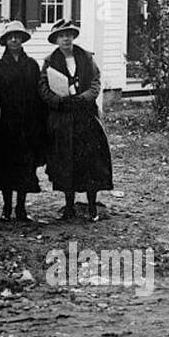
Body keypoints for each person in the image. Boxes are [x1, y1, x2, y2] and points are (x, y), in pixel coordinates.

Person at [38, 20, 114, 222]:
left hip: (85, 117)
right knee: (65, 161)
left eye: (69, 35)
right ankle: (69, 206)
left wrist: (83, 98)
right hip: (63, 119)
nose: (65, 39)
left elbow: (95, 82)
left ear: (73, 37)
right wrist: (59, 101)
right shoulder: (50, 61)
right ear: (56, 39)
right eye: (62, 36)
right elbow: (43, 88)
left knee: (91, 161)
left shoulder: (86, 58)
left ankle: (91, 207)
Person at [0, 21, 47, 223]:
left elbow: (38, 94)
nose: (14, 40)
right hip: (6, 124)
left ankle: (21, 208)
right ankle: (6, 208)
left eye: (17, 36)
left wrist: (38, 122)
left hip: (27, 123)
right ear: (5, 41)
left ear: (23, 39)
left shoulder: (31, 65)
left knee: (25, 166)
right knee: (6, 165)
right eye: (10, 37)